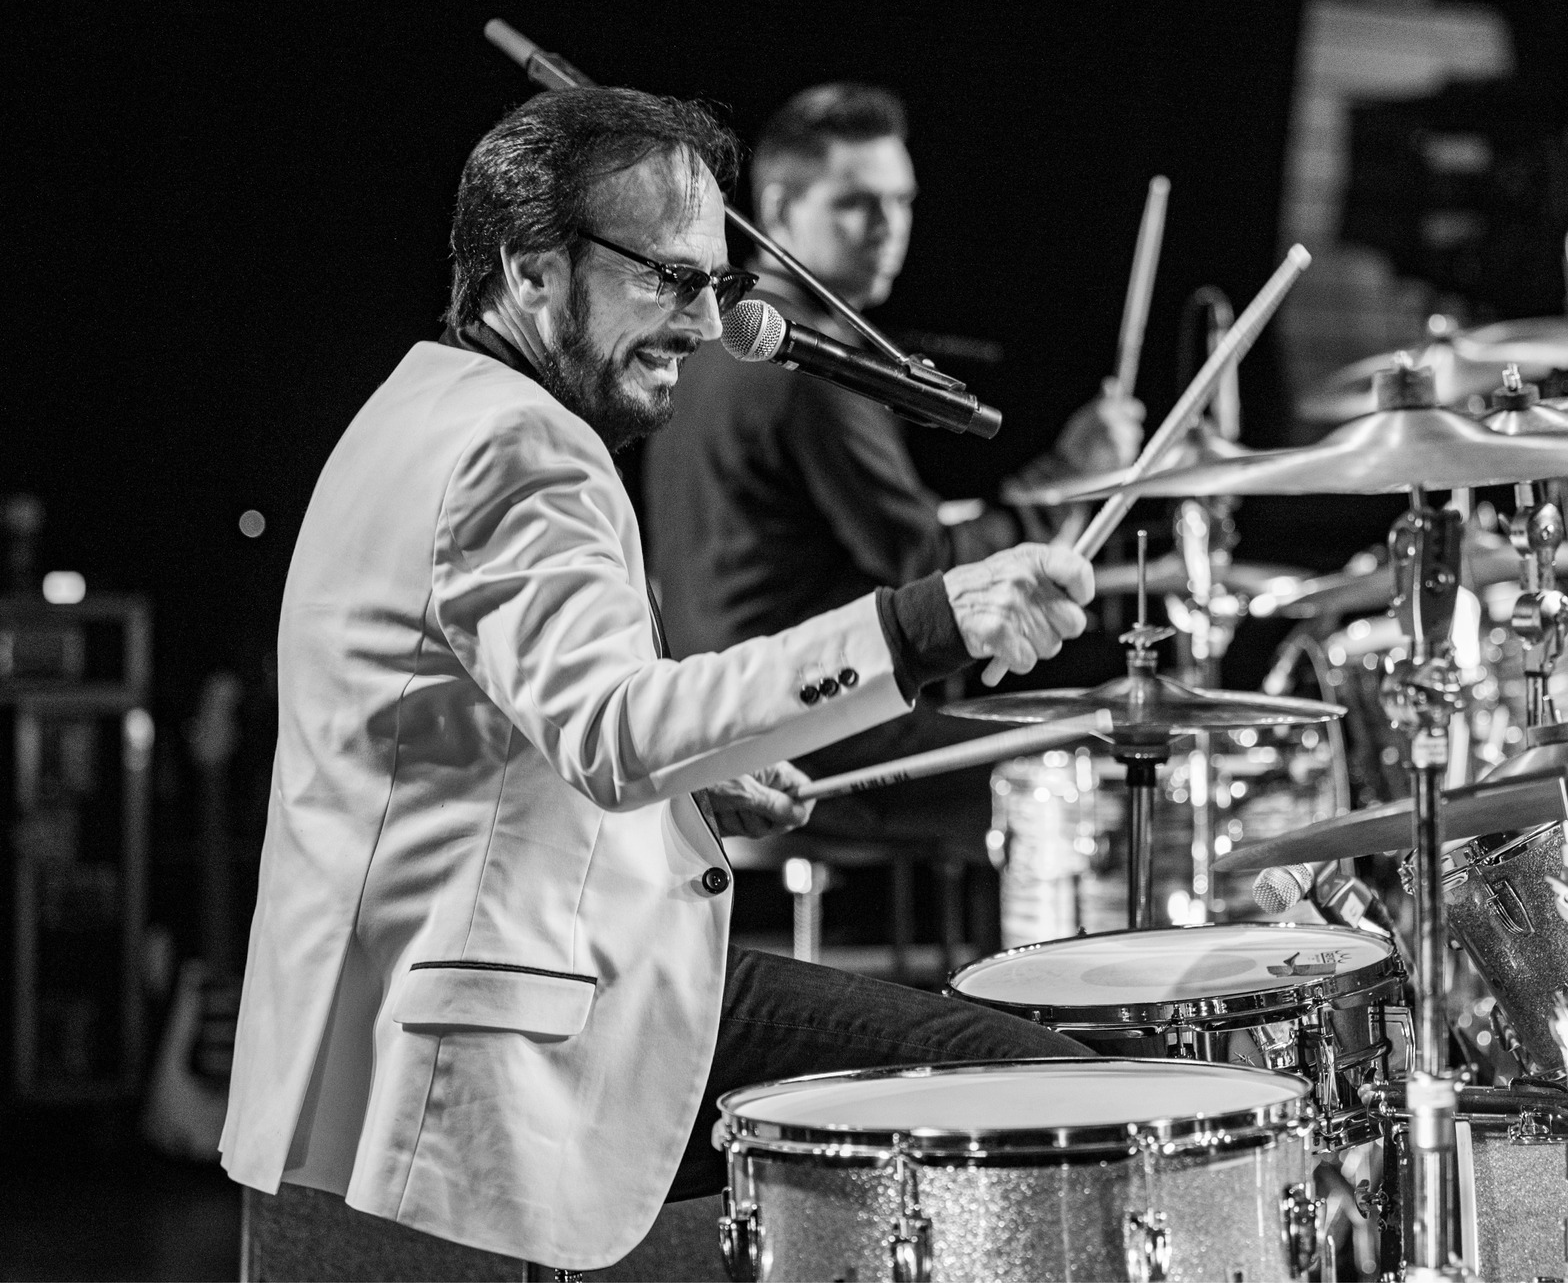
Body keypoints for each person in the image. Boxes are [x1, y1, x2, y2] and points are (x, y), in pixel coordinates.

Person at [218, 87, 1094, 1271]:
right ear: (531, 271)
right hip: (482, 1049)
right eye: (669, 280)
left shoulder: (416, 404)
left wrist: (705, 783)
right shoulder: (520, 445)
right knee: (1035, 1095)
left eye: (718, 283)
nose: (707, 323)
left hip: (374, 1051)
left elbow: (479, 732)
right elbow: (614, 731)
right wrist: (924, 621)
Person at [642, 82, 1143, 847]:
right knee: (1108, 747)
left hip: (725, 714)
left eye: (903, 203)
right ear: (777, 210)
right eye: (857, 203)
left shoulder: (710, 343)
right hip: (801, 730)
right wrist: (1070, 475)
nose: (890, 229)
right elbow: (925, 567)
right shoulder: (805, 365)